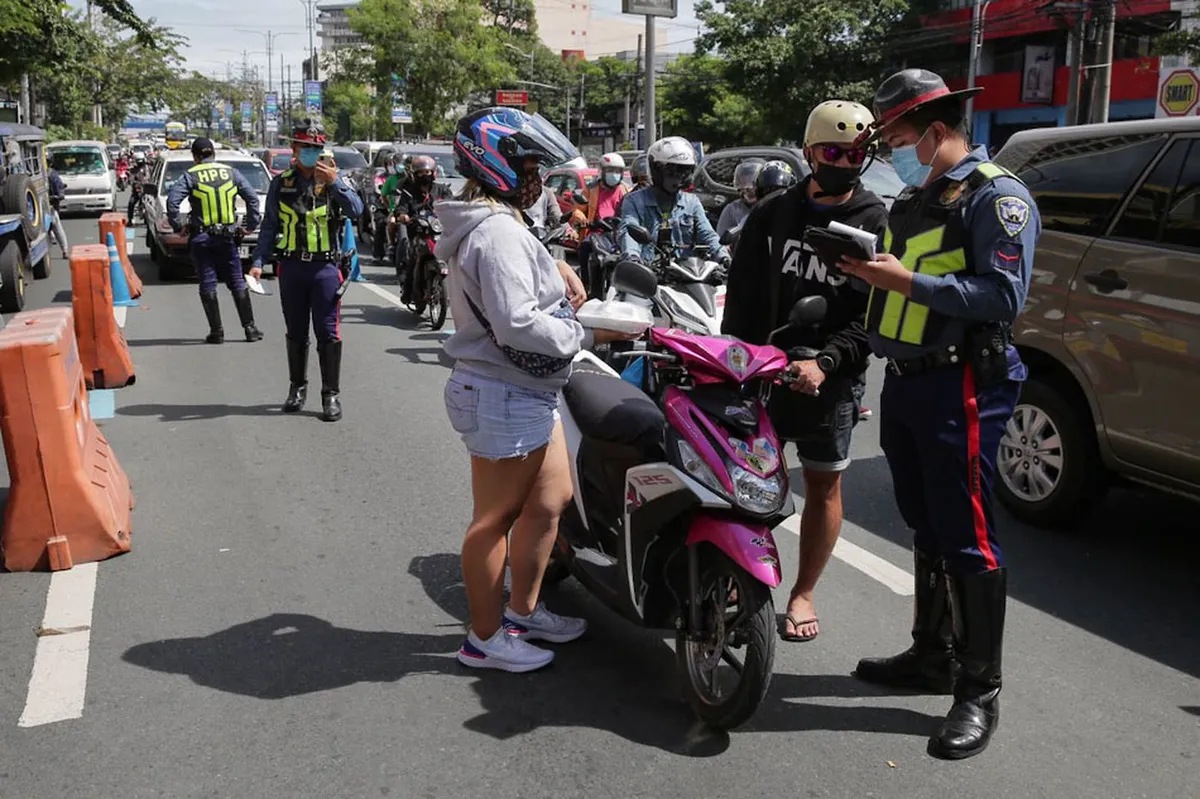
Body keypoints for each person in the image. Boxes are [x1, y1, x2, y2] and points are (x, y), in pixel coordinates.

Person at [839, 69, 1039, 761]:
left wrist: (905, 280)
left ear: (933, 128)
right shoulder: (922, 194)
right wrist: (868, 272)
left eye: (894, 135)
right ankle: (931, 654)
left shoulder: (997, 196)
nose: (890, 147)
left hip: (961, 385)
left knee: (967, 534)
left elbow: (1002, 296)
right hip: (907, 380)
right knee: (926, 522)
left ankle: (979, 689)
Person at [438, 107, 628, 672]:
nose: (537, 178)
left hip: (525, 389)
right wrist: (590, 329)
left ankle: (521, 609)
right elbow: (517, 322)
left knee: (549, 502)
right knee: (494, 518)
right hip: (502, 389)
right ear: (493, 164)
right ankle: (485, 639)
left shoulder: (503, 221)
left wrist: (559, 267)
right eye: (527, 165)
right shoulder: (495, 230)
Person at [722, 100, 888, 646]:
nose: (844, 161)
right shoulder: (773, 213)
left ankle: (803, 592)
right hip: (765, 370)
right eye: (833, 151)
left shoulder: (875, 221)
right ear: (811, 152)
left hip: (831, 379)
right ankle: (737, 576)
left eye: (855, 152)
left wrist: (825, 362)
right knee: (748, 477)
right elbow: (742, 298)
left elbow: (874, 315)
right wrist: (738, 360)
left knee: (823, 483)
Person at [251, 119, 364, 422]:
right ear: (295, 148)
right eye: (306, 147)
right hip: (291, 268)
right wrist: (259, 261)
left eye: (316, 147)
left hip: (325, 268)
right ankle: (297, 388)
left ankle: (331, 395)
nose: (311, 152)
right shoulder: (282, 182)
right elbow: (269, 226)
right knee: (296, 331)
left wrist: (335, 183)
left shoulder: (333, 180)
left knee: (328, 332)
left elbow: (356, 210)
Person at [167, 137, 263, 345]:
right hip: (228, 237)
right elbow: (252, 198)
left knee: (208, 282)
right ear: (214, 154)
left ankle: (217, 332)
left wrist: (178, 227)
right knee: (237, 280)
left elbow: (173, 202)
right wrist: (251, 225)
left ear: (195, 156)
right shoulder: (232, 172)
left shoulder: (190, 175)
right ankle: (250, 329)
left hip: (201, 237)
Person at [620, 136, 729, 265]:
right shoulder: (634, 201)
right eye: (672, 171)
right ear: (656, 170)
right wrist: (633, 258)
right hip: (647, 272)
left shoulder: (692, 202)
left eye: (684, 171)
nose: (678, 176)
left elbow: (708, 234)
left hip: (687, 272)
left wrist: (724, 257)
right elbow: (628, 232)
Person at [393, 154, 453, 304]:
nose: (424, 176)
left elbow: (453, 206)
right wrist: (403, 215)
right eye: (420, 173)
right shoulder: (409, 192)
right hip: (418, 232)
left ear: (433, 173)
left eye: (427, 172)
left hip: (440, 232)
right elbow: (401, 207)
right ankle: (408, 291)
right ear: (415, 174)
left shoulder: (442, 190)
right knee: (412, 256)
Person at [575, 152, 630, 297]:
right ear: (602, 171)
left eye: (618, 171)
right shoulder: (591, 189)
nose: (614, 174)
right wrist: (582, 219)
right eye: (611, 170)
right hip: (595, 231)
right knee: (584, 249)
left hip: (616, 233)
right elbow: (578, 210)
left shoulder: (624, 190)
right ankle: (585, 283)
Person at [716, 158, 765, 238]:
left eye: (752, 182)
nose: (747, 187)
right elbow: (720, 241)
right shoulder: (732, 210)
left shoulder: (772, 207)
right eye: (743, 182)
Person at [47, 168, 69, 259]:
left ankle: (65, 250)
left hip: (49, 204)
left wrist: (58, 196)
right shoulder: (51, 174)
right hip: (46, 205)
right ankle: (65, 250)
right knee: (57, 225)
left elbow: (60, 190)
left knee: (56, 224)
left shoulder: (51, 174)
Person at [126, 152, 149, 225]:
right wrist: (132, 181)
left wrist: (145, 181)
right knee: (131, 203)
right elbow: (131, 178)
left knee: (150, 205)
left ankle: (147, 219)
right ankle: (130, 219)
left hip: (146, 191)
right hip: (136, 191)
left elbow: (149, 177)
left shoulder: (147, 168)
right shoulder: (133, 170)